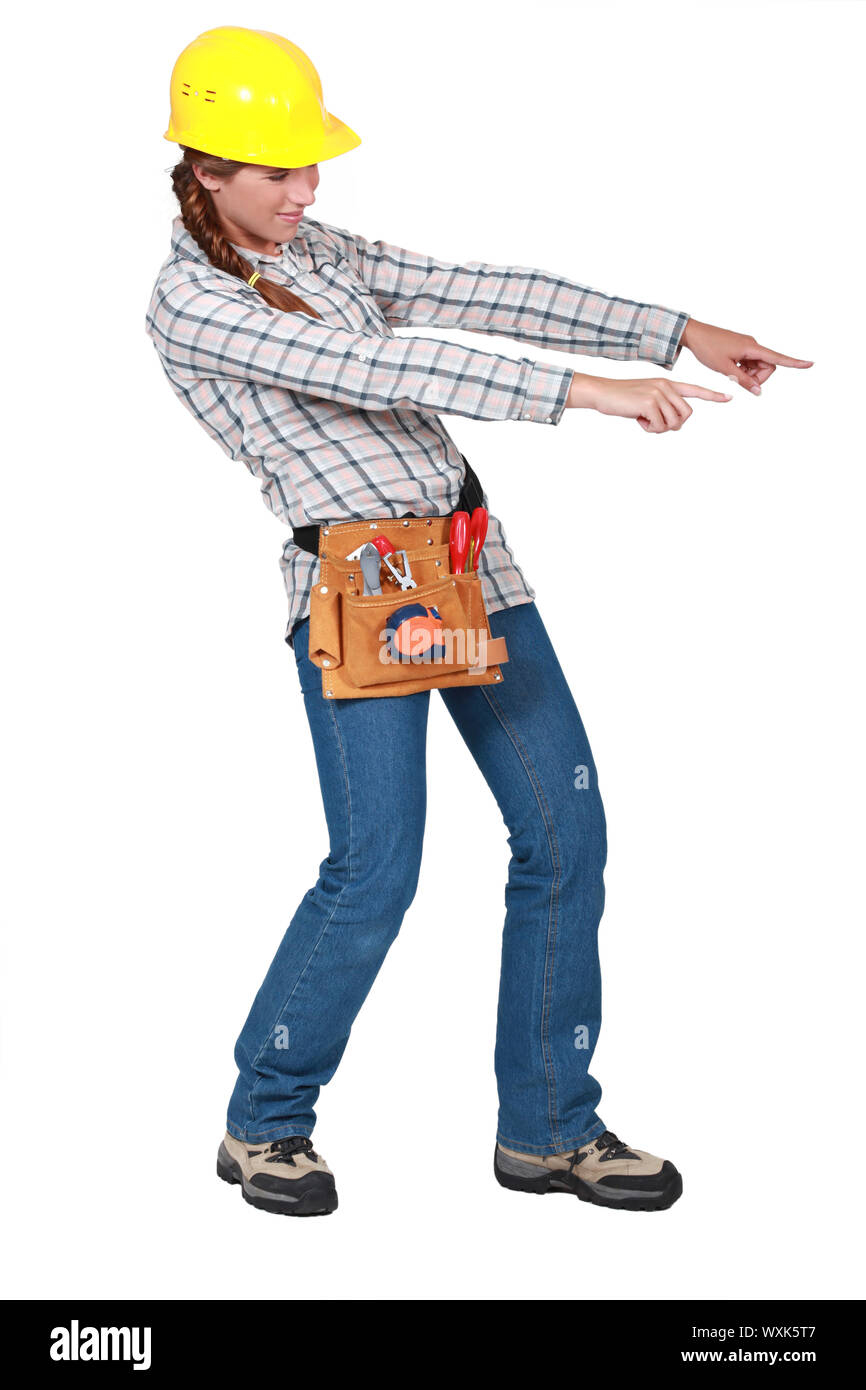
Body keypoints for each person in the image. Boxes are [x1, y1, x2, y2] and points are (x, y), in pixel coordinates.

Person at [146, 26, 813, 1218]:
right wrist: (584, 394)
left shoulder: (327, 247)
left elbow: (476, 290)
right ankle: (264, 1123)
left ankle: (549, 1129)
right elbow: (381, 367)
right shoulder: (190, 305)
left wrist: (669, 330)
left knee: (565, 836)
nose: (304, 193)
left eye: (311, 169)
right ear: (206, 169)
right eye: (278, 173)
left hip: (468, 566)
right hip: (356, 596)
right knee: (375, 872)